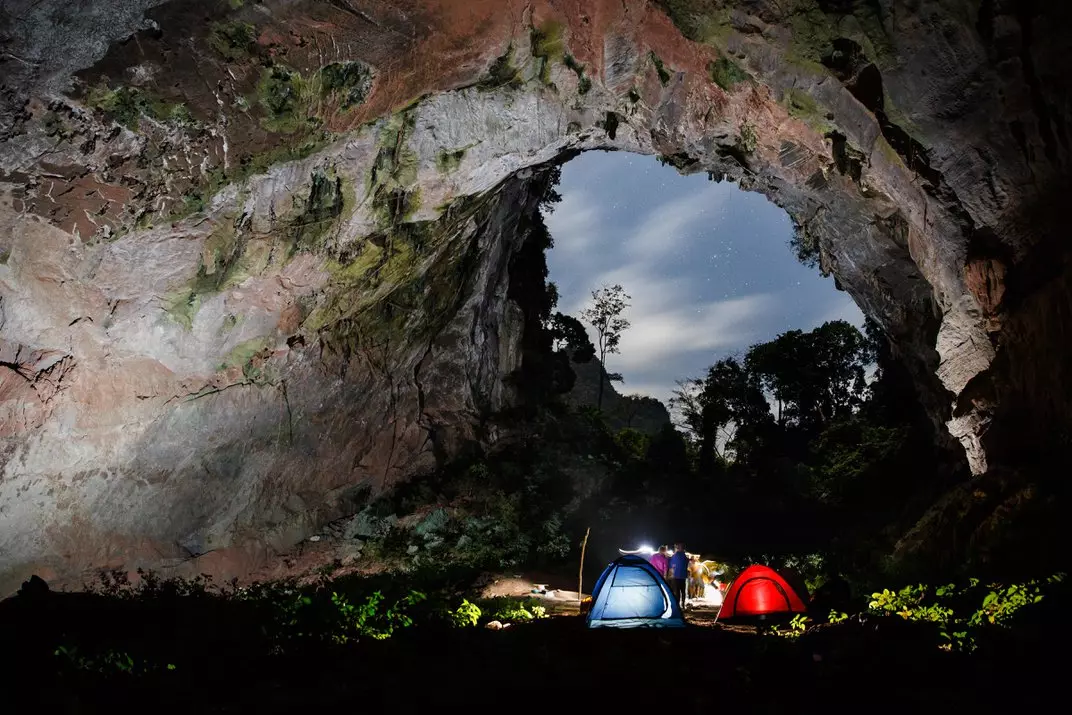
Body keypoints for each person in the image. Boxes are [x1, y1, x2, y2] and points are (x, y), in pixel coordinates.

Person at [667, 543, 689, 609]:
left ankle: (678, 605)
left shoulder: (675, 556)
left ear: (678, 548)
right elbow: (686, 564)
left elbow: (671, 566)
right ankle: (683, 605)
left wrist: (670, 575)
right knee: (683, 591)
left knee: (677, 592)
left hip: (676, 576)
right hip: (683, 576)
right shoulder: (684, 556)